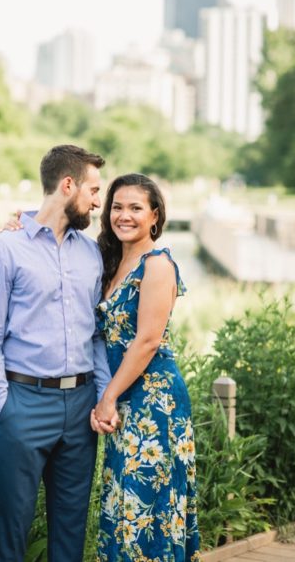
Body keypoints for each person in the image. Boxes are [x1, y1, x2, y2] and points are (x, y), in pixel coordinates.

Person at [0, 144, 113, 561]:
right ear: (67, 185)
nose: (96, 201)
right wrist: (3, 406)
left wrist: (103, 396)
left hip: (82, 406)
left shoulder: (90, 254)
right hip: (24, 405)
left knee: (70, 530)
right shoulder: (2, 251)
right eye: (92, 189)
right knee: (11, 529)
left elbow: (97, 336)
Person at [91, 173, 200, 560]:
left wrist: (108, 397)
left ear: (155, 216)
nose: (124, 215)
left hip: (155, 401)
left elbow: (147, 340)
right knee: (123, 503)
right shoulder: (110, 260)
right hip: (125, 395)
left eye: (135, 208)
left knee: (147, 506)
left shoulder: (158, 265)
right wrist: (20, 223)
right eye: (117, 207)